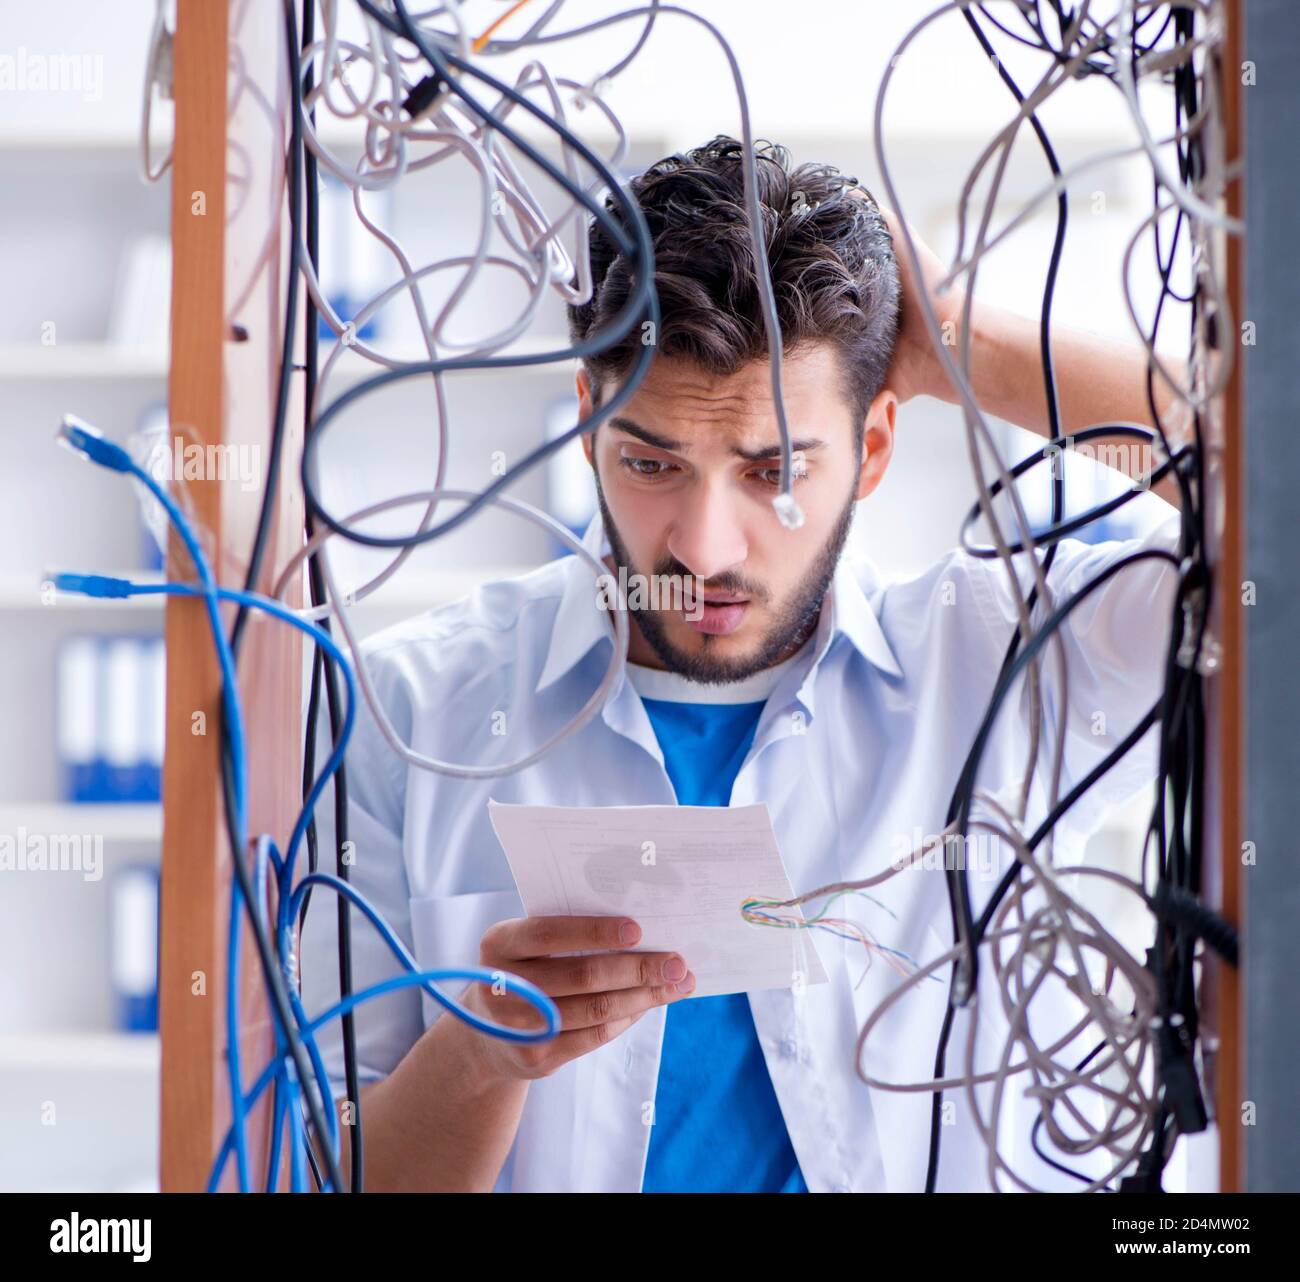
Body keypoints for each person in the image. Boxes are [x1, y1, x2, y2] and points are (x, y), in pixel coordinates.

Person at [301, 136, 1183, 1193]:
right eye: (651, 462)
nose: (703, 550)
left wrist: (966, 339)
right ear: (586, 424)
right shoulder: (408, 711)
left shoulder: (1006, 661)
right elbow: (335, 1181)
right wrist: (479, 1055)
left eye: (774, 471)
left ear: (874, 448)